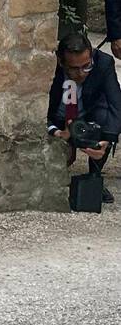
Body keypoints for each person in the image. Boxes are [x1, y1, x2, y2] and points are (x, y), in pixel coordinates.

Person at [47, 30, 121, 203]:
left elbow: (116, 106)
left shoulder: (103, 63)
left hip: (89, 117)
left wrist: (106, 141)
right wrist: (57, 132)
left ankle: (94, 177)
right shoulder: (47, 66)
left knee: (105, 117)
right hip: (58, 120)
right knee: (63, 159)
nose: (81, 73)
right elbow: (35, 111)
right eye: (74, 68)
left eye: (87, 66)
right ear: (60, 61)